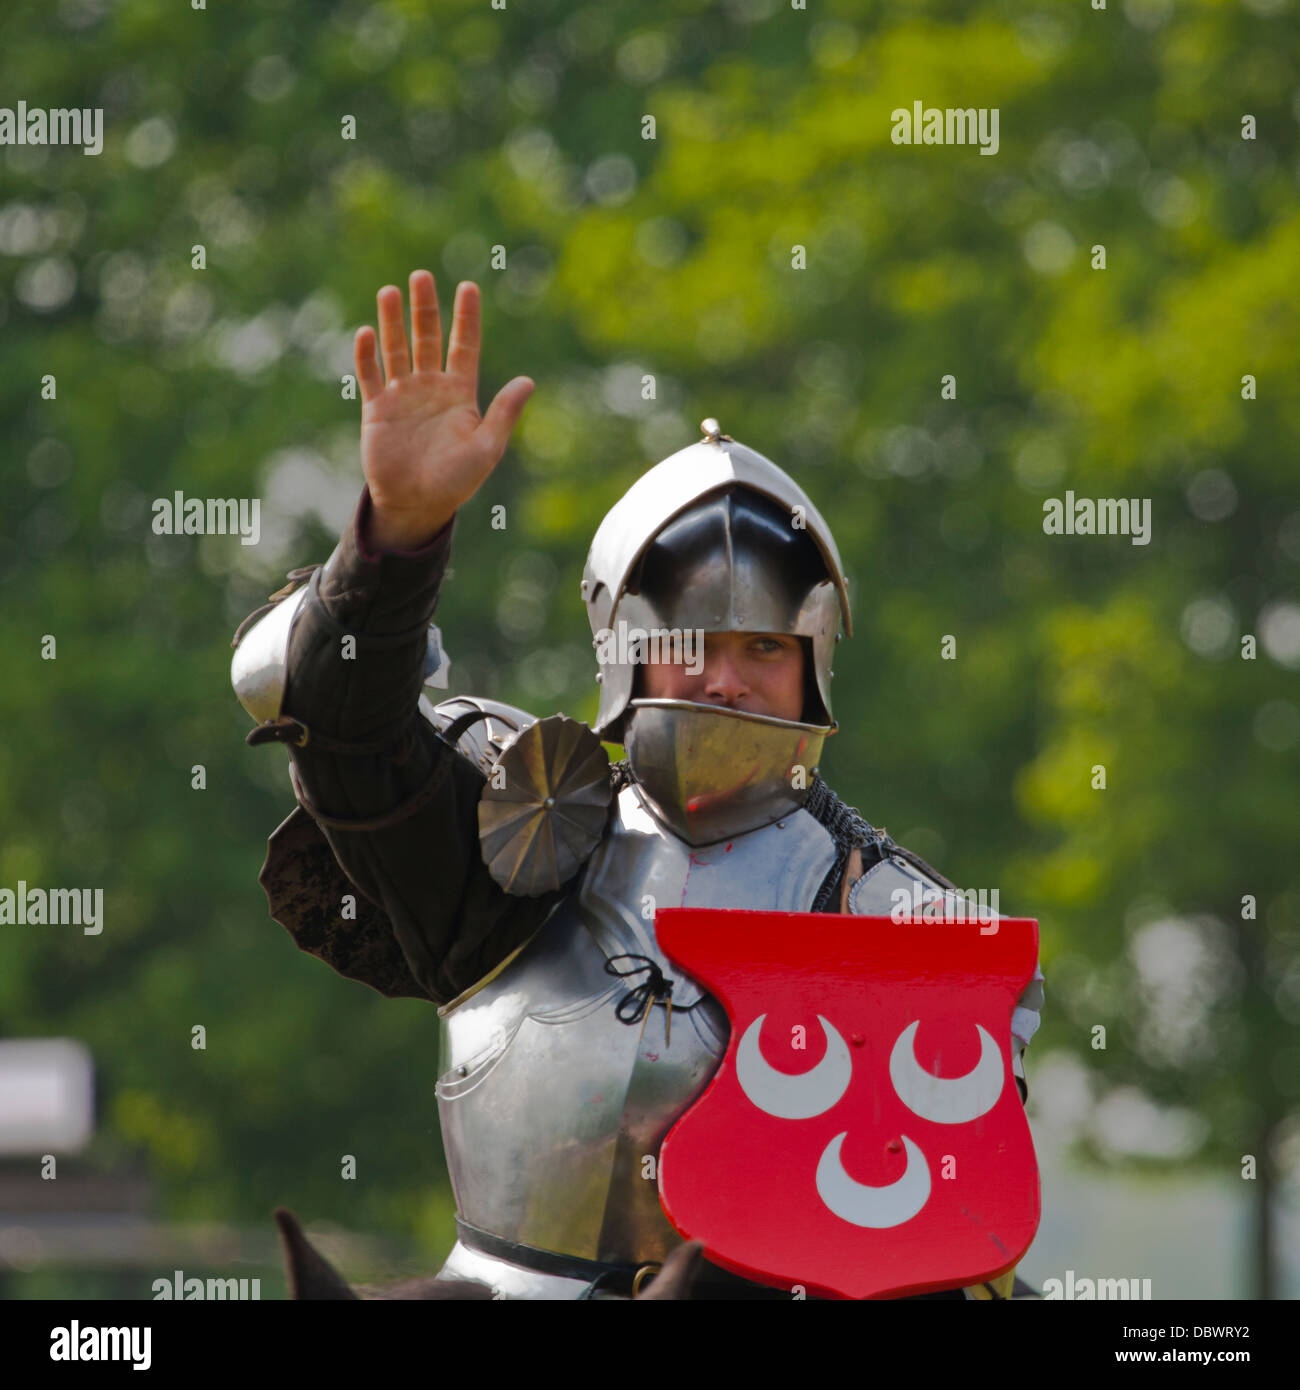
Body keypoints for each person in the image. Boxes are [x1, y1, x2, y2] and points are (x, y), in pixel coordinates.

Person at [230, 270, 1046, 1300]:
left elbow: (938, 1238)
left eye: (761, 643)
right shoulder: (512, 844)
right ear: (625, 647)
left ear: (813, 663)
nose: (722, 677)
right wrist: (396, 536)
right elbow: (345, 737)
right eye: (690, 640)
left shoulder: (897, 923)